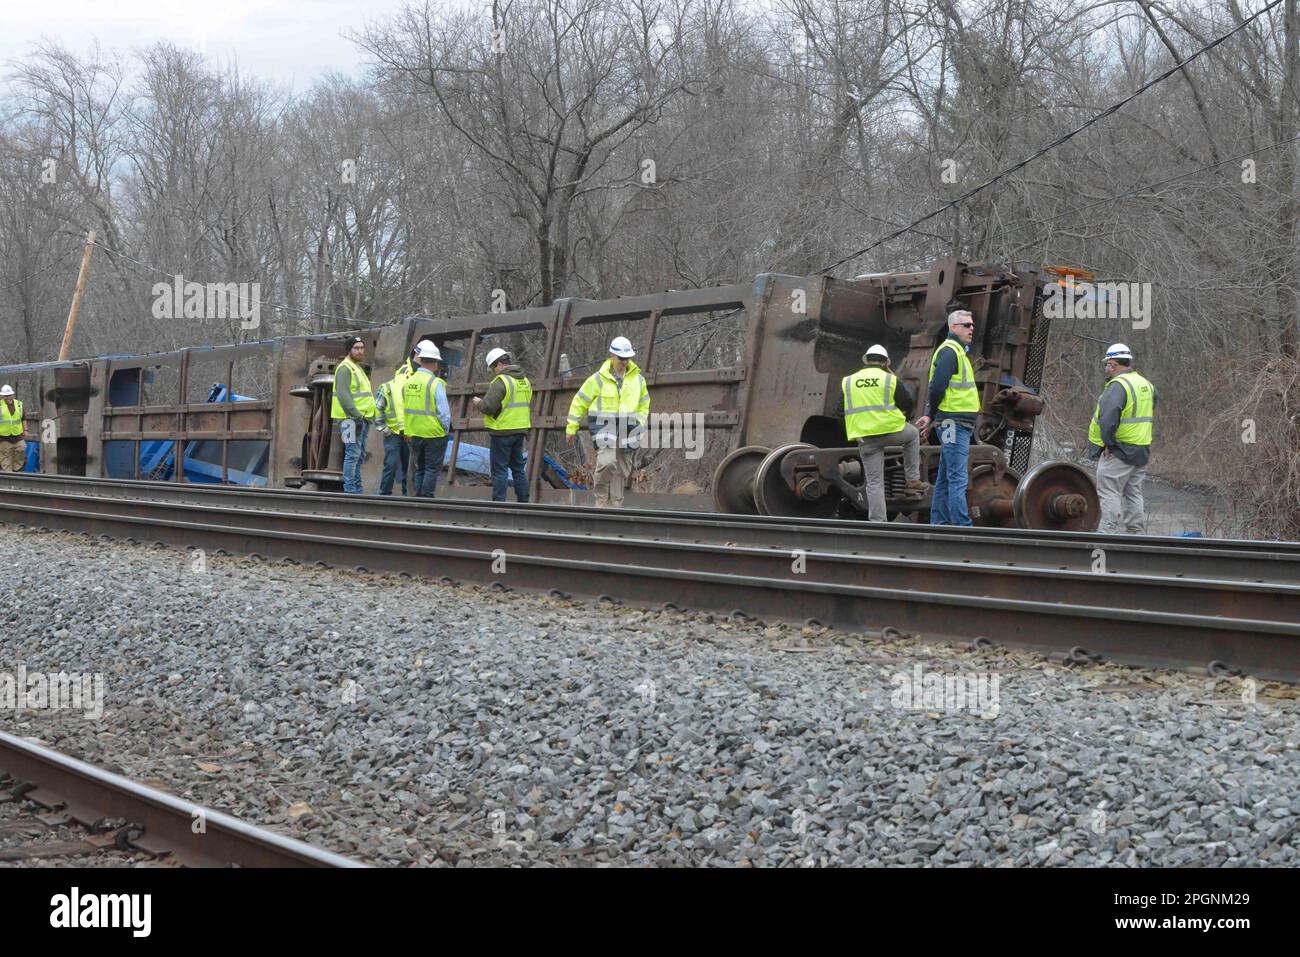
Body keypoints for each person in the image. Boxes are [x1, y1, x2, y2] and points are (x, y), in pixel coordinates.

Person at [837, 345, 928, 521]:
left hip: (866, 438)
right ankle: (912, 481)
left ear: (866, 360)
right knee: (912, 435)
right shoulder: (889, 379)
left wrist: (853, 434)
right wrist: (905, 417)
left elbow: (839, 411)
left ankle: (878, 522)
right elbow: (908, 402)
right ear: (885, 362)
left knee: (874, 482)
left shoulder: (848, 381)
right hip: (891, 432)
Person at [565, 336, 649, 508]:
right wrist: (571, 428)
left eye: (627, 358)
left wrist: (640, 424)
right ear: (612, 355)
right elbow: (579, 402)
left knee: (623, 468)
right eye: (621, 358)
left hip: (628, 426)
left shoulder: (638, 380)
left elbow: (644, 404)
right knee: (607, 462)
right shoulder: (598, 379)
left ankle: (615, 505)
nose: (624, 362)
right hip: (604, 425)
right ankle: (601, 499)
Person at [916, 309, 979, 526]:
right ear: (953, 327)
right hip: (953, 423)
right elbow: (936, 388)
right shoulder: (950, 352)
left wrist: (931, 415)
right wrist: (930, 415)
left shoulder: (958, 352)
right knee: (958, 477)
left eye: (972, 324)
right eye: (967, 325)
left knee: (944, 478)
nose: (972, 328)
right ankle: (962, 527)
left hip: (956, 423)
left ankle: (939, 524)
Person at [1088, 342, 1157, 534]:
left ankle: (1106, 533)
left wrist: (1108, 443)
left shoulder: (1118, 386)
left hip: (1119, 450)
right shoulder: (1146, 384)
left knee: (1109, 490)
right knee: (1133, 492)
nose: (1106, 368)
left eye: (1107, 364)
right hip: (1141, 449)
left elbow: (1108, 418)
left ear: (1113, 364)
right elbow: (1151, 405)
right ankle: (1136, 535)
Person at [473, 347, 532, 503]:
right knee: (518, 469)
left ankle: (499, 503)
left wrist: (479, 403)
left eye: (493, 368)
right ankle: (524, 502)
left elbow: (488, 407)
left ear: (499, 364)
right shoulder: (524, 381)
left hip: (502, 432)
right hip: (520, 430)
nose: (494, 371)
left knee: (500, 471)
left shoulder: (501, 381)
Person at [375, 343, 427, 496]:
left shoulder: (411, 386)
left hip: (408, 433)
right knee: (392, 465)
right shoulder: (387, 387)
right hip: (394, 434)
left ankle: (405, 495)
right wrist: (385, 430)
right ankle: (385, 493)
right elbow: (377, 410)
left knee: (406, 467)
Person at [401, 340, 452, 497]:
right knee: (431, 469)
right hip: (434, 434)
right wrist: (445, 429)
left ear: (421, 359)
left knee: (421, 468)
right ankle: (427, 498)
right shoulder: (435, 383)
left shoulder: (408, 382)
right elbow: (443, 413)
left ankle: (419, 499)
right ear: (435, 363)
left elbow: (405, 405)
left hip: (415, 433)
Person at [330, 337, 375, 494]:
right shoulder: (345, 369)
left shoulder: (357, 368)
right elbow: (343, 396)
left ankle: (357, 489)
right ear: (349, 350)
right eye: (356, 348)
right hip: (350, 420)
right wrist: (356, 416)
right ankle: (350, 491)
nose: (360, 351)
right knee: (352, 455)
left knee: (358, 456)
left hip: (361, 419)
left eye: (362, 348)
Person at [0, 385, 24, 473]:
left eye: (9, 395)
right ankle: (8, 475)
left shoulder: (19, 404)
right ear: (3, 396)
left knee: (21, 450)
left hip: (18, 435)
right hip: (4, 437)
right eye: (6, 396)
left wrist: (26, 430)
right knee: (6, 456)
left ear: (12, 395)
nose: (8, 397)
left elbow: (23, 418)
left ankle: (16, 470)